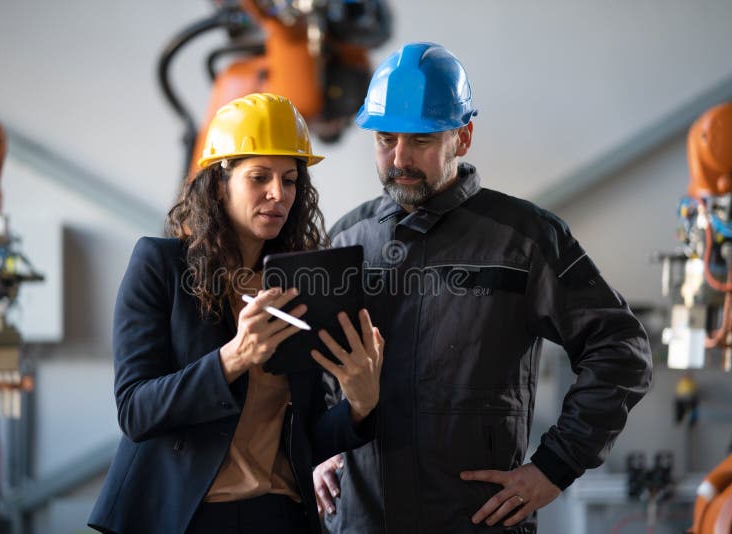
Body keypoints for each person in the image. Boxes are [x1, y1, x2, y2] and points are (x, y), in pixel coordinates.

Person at [312, 42, 653, 533]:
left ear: (463, 137)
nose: (400, 158)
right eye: (386, 138)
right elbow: (318, 362)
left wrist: (553, 468)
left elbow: (621, 348)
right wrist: (320, 447)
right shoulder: (347, 239)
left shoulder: (526, 239)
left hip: (477, 520)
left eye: (421, 140)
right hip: (366, 519)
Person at [88, 92, 383, 534]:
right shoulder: (160, 265)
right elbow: (135, 410)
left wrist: (361, 404)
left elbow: (309, 439)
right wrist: (234, 358)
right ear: (220, 183)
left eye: (290, 180)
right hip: (185, 517)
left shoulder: (302, 282)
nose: (277, 194)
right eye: (259, 177)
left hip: (280, 515)